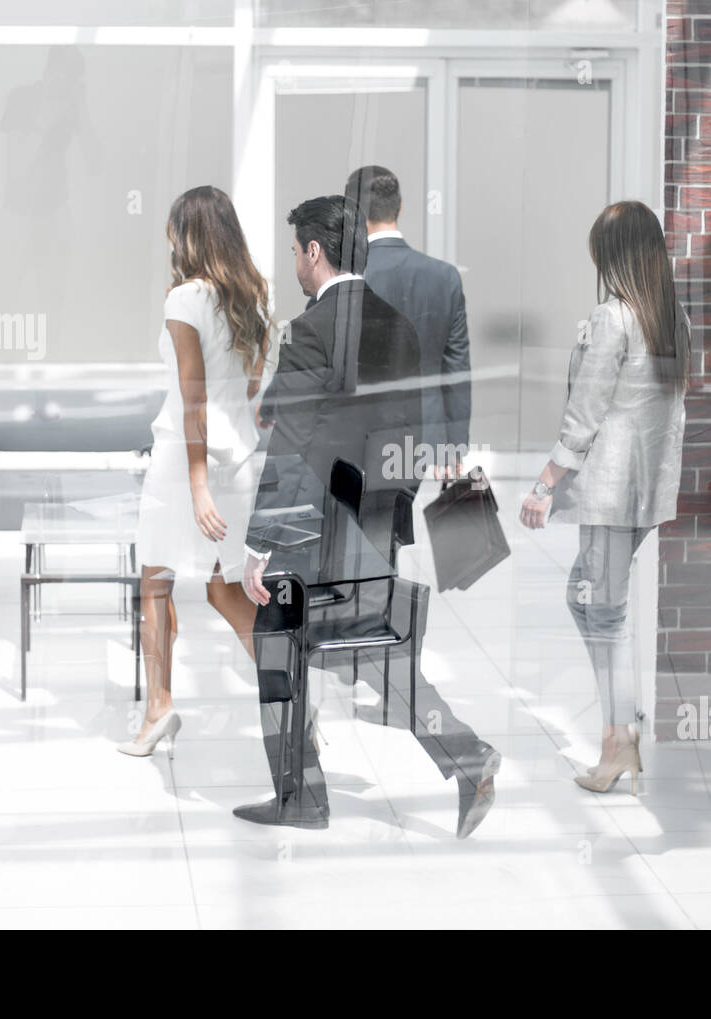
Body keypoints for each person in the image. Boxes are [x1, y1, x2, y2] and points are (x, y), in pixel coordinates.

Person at [235, 195, 502, 836]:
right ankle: (465, 757)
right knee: (371, 655)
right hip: (374, 521)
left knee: (277, 645)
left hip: (313, 524)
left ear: (315, 252)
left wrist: (260, 542)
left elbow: (291, 441)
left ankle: (301, 798)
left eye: (297, 251)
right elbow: (397, 431)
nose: (295, 262)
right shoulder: (397, 324)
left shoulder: (313, 329)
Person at [519, 200, 689, 793]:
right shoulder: (670, 319)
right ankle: (626, 724)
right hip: (643, 491)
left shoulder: (615, 317)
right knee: (586, 599)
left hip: (613, 491)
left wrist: (545, 485)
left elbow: (584, 413)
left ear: (613, 257)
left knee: (606, 613)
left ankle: (620, 741)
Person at [120, 185, 272, 757]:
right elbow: (251, 387)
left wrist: (197, 483)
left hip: (188, 464)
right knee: (225, 590)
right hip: (241, 459)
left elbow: (192, 398)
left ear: (186, 235)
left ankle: (158, 708)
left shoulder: (183, 299)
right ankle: (292, 697)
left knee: (155, 584)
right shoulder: (253, 298)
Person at [344, 165, 471, 477]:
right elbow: (456, 368)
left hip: (358, 436)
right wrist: (455, 445)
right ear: (399, 208)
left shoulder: (344, 277)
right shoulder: (445, 277)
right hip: (429, 438)